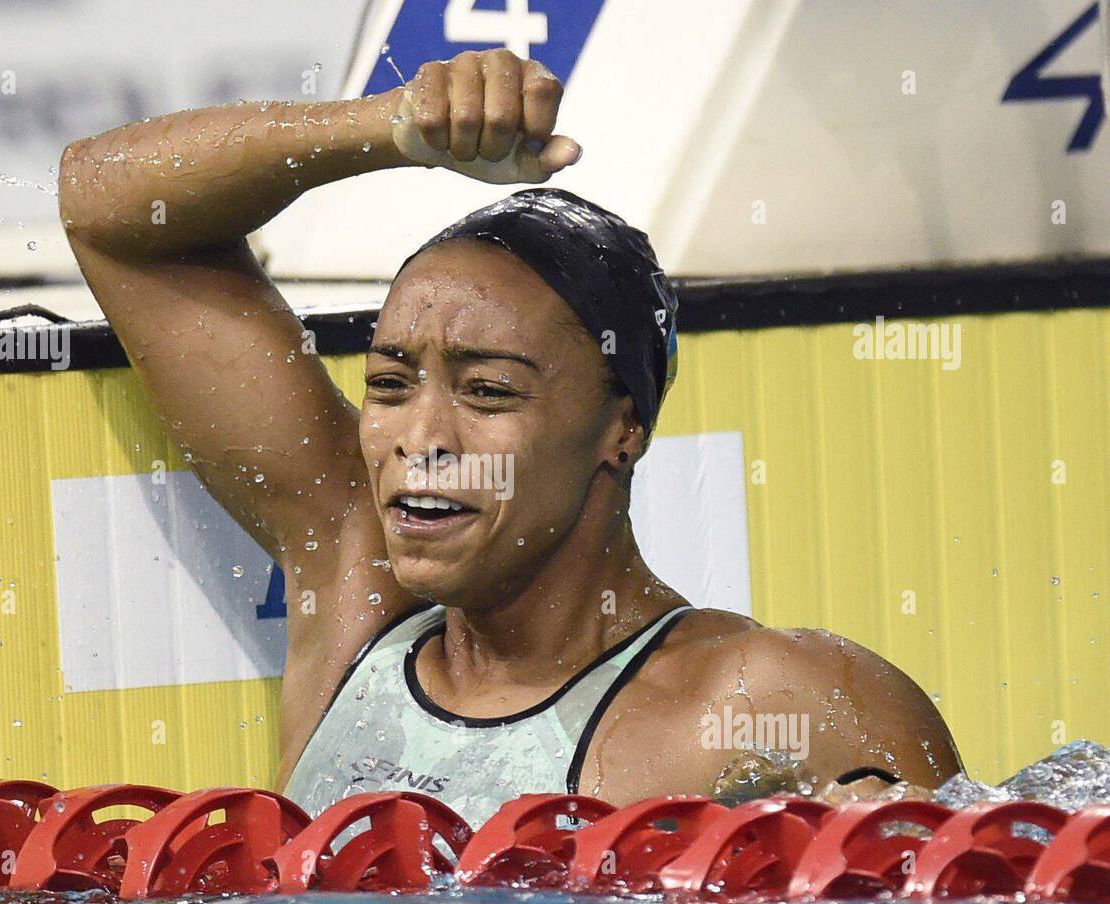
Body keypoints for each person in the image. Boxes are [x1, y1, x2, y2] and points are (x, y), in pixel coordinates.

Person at [58, 48, 961, 824]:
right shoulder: (355, 599)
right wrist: (388, 128)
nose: (422, 437)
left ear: (623, 428)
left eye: (488, 391)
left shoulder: (767, 698)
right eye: (387, 384)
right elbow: (109, 210)